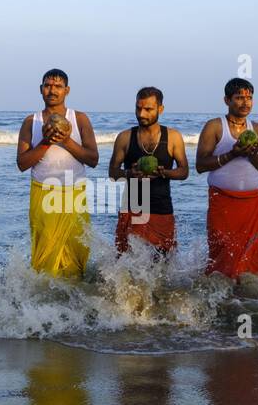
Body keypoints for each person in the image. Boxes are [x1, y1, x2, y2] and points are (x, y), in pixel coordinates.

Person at [15, 68, 99, 278]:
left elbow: (93, 159)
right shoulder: (31, 121)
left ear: (67, 90)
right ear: (41, 89)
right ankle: (44, 297)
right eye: (48, 86)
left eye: (58, 86)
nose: (52, 90)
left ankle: (73, 296)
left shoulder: (79, 119)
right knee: (45, 251)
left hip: (74, 192)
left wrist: (65, 140)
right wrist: (45, 142)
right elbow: (22, 164)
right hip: (43, 192)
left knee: (77, 249)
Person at [196, 78, 258, 278]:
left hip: (254, 204)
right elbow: (200, 165)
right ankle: (224, 301)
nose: (245, 103)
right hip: (222, 203)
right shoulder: (214, 127)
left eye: (249, 98)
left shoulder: (257, 130)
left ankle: (254, 300)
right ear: (227, 100)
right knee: (222, 259)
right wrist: (232, 153)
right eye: (239, 98)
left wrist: (252, 155)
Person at [107, 87, 188, 255]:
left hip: (161, 207)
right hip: (131, 208)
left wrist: (163, 173)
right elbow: (113, 173)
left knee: (163, 261)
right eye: (138, 108)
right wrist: (129, 173)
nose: (141, 114)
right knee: (126, 261)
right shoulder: (125, 137)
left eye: (148, 109)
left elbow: (184, 171)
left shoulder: (173, 137)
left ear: (160, 109)